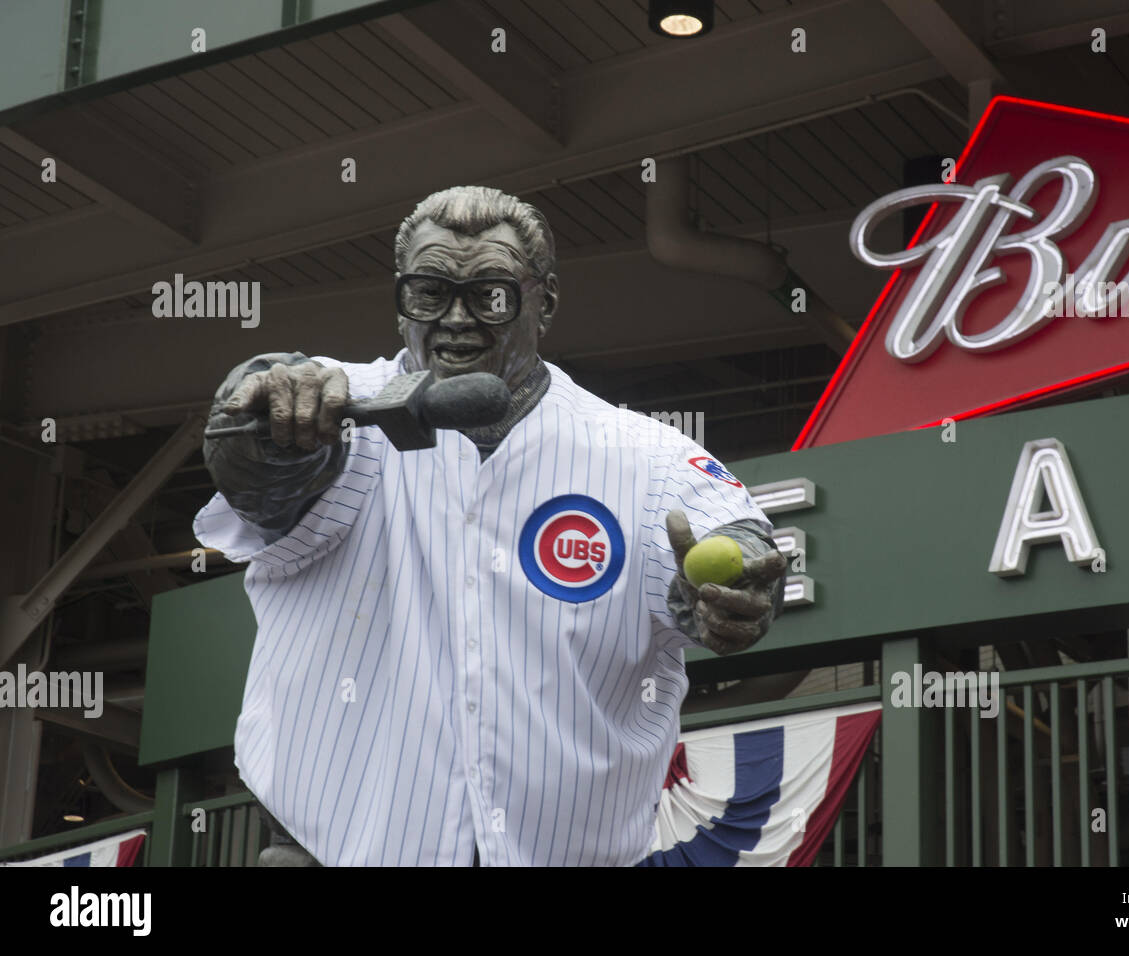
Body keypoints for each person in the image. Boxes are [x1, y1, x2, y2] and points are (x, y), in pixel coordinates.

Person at [194, 185, 787, 866]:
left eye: (490, 294)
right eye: (428, 291)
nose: (455, 319)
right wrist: (263, 402)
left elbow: (737, 540)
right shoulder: (339, 413)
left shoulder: (645, 458)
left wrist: (729, 587)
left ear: (546, 302)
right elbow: (249, 439)